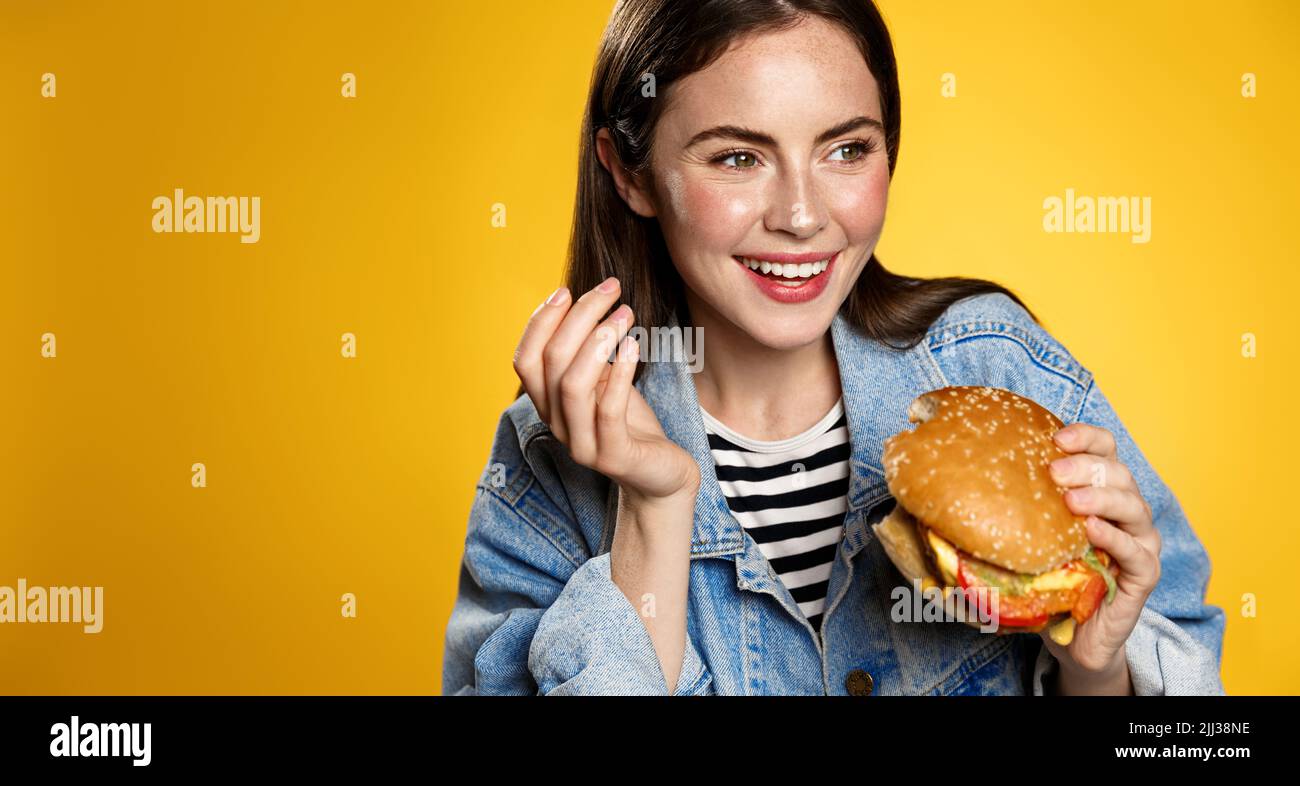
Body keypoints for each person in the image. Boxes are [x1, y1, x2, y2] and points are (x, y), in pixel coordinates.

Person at [442, 0, 1225, 695]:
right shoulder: (546, 469)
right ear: (630, 175)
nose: (803, 214)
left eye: (846, 149)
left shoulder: (1000, 372)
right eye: (737, 157)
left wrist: (1096, 670)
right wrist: (653, 506)